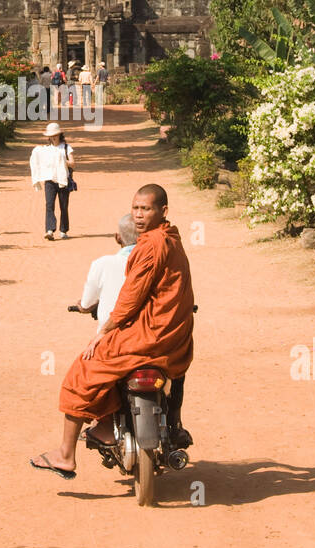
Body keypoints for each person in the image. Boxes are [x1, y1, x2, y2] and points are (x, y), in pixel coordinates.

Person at [30, 183, 194, 479]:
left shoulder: (152, 244)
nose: (140, 215)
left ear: (163, 211)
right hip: (175, 338)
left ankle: (66, 455)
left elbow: (131, 296)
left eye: (146, 209)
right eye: (136, 208)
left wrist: (104, 330)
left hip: (151, 336)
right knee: (110, 368)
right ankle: (109, 427)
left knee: (83, 371)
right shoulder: (171, 239)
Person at [76, 213, 137, 324]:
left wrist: (85, 307)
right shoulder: (155, 262)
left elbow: (86, 303)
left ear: (118, 238)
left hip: (109, 332)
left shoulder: (102, 264)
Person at [30, 122, 75, 241]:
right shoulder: (45, 150)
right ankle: (49, 229)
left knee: (63, 206)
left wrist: (61, 160)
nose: (53, 137)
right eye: (51, 135)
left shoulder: (66, 147)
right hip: (49, 180)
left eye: (55, 135)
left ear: (60, 135)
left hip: (63, 180)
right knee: (49, 204)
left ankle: (63, 230)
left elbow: (73, 163)